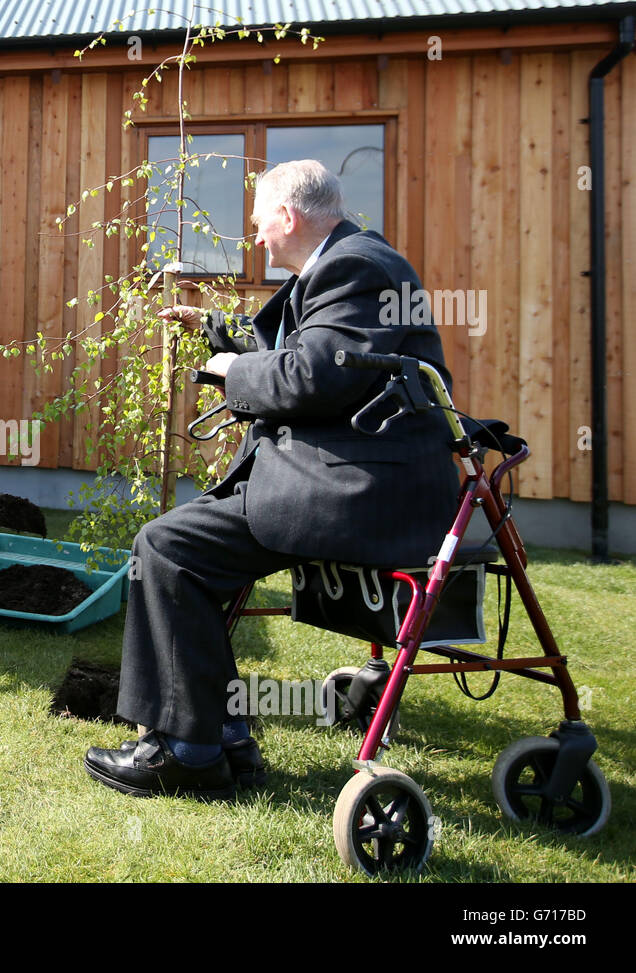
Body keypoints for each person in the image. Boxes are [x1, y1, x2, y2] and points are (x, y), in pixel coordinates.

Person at [83, 159, 460, 801]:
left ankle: (188, 750)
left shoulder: (356, 267)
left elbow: (316, 377)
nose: (255, 237)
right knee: (179, 550)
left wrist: (232, 370)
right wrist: (222, 348)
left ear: (287, 216)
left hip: (358, 494)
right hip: (343, 477)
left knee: (167, 551)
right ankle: (222, 735)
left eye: (258, 222)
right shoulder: (348, 264)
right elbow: (311, 366)